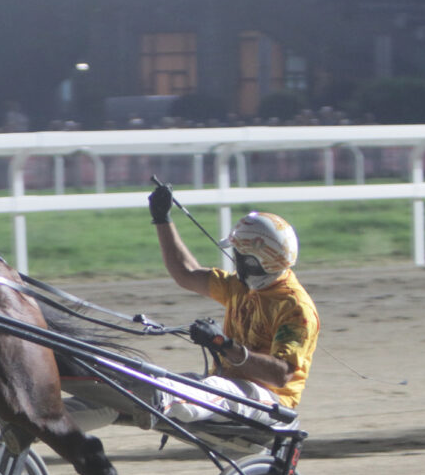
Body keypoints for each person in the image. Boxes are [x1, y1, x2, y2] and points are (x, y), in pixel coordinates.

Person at [62, 184, 320, 457]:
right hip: (224, 391)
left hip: (270, 402)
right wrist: (162, 219)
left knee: (206, 389)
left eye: (238, 255)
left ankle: (157, 398)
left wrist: (224, 345)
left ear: (254, 262)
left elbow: (280, 375)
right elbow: (185, 272)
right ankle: (45, 420)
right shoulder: (241, 286)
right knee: (123, 390)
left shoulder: (295, 308)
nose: (234, 259)